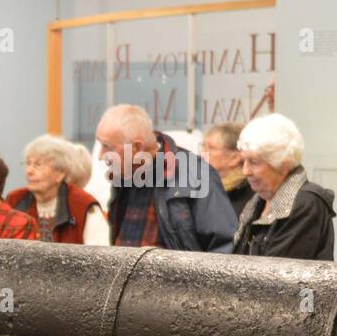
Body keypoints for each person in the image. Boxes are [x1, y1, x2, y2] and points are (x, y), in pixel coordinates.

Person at [95, 104, 237, 252]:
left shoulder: (195, 173)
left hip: (178, 275)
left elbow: (224, 248)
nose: (100, 156)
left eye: (108, 147)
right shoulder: (123, 175)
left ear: (137, 148)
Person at [232, 113, 335, 260]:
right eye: (244, 162)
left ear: (283, 165)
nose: (245, 171)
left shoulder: (306, 203)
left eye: (254, 162)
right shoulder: (257, 201)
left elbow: (276, 275)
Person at [6, 135, 109, 244]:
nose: (29, 171)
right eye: (28, 163)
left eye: (38, 165)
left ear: (60, 173)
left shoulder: (82, 205)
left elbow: (101, 254)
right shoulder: (15, 200)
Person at [199, 123, 253, 217]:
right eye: (203, 146)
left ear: (235, 158)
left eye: (211, 148)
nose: (202, 153)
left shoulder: (248, 197)